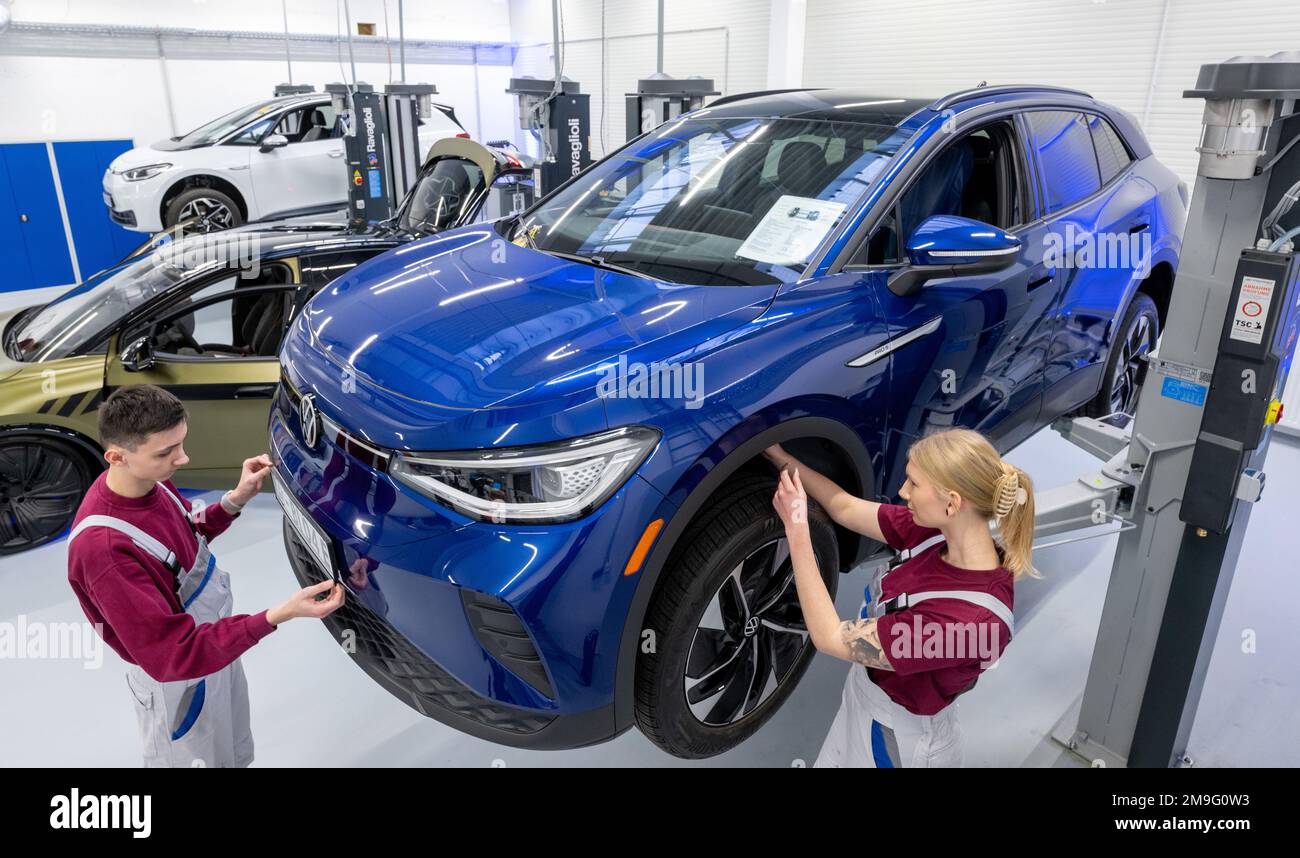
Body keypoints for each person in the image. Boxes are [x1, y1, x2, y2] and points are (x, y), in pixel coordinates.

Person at [67, 384, 345, 767]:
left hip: (214, 646)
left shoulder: (151, 481)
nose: (182, 459)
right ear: (117, 457)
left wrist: (236, 498)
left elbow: (185, 539)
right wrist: (278, 615)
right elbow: (173, 656)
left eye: (181, 443)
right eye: (166, 452)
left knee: (231, 752)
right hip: (180, 677)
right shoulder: (105, 551)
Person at [765, 428, 1036, 767]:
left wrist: (797, 526)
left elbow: (830, 636)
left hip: (897, 741)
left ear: (952, 503)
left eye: (914, 484)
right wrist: (779, 457)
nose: (902, 491)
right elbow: (844, 506)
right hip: (866, 693)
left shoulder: (968, 625)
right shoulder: (935, 534)